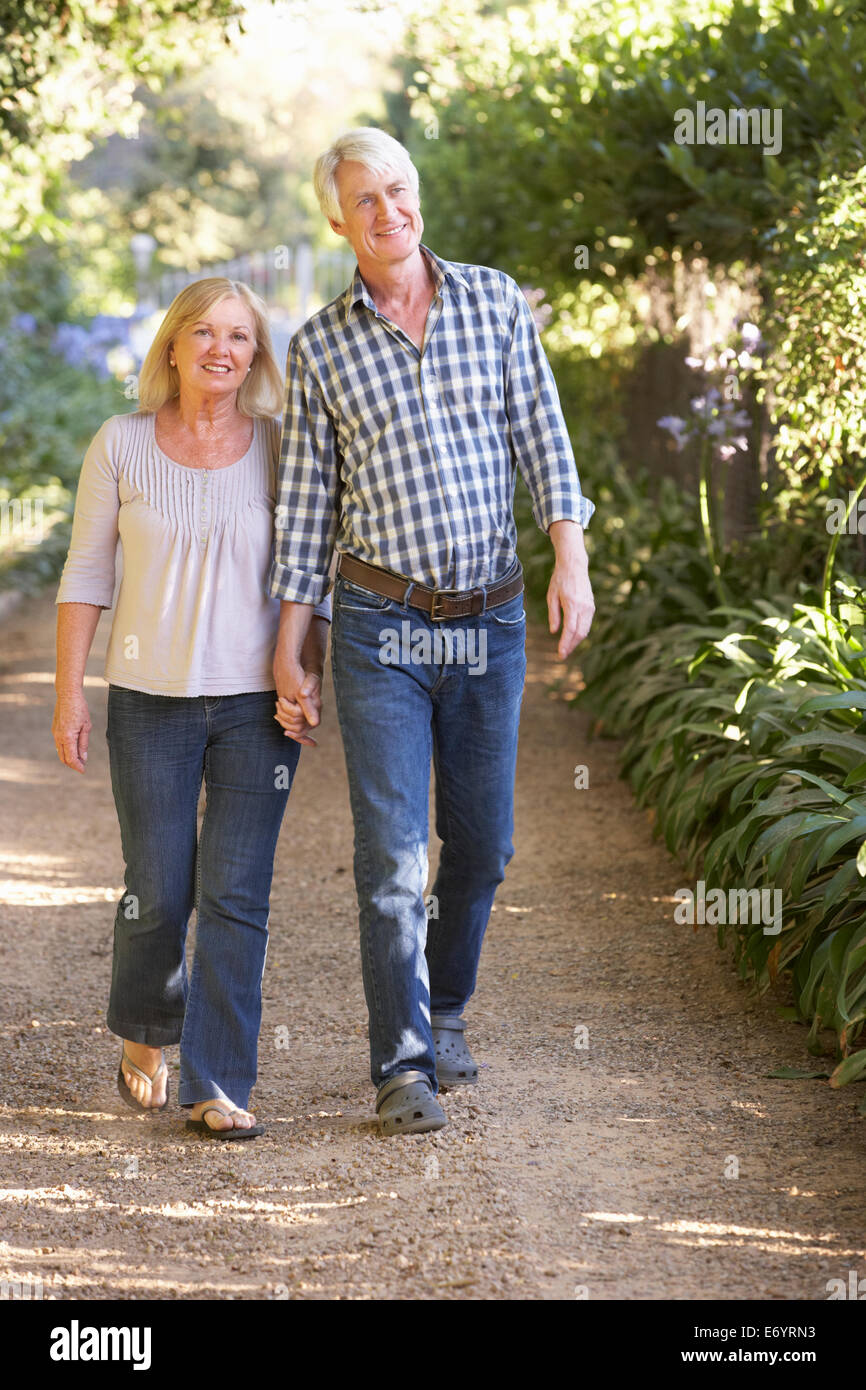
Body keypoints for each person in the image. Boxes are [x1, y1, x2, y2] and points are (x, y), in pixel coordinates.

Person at [269, 128, 595, 1136]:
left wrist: (569, 555)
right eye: (362, 199)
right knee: (390, 854)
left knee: (483, 845)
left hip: (489, 618)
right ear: (337, 219)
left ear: (418, 193)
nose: (386, 211)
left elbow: (541, 434)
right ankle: (401, 1062)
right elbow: (306, 504)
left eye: (397, 190)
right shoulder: (318, 345)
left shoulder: (493, 299)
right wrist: (293, 640)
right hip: (379, 624)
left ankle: (445, 1008)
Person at [52, 278, 330, 1140]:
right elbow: (88, 573)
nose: (221, 349)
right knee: (159, 888)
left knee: (238, 894)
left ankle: (218, 1081)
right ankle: (143, 1030)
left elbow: (310, 576)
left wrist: (303, 674)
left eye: (240, 337)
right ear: (172, 346)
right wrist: (70, 694)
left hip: (255, 709)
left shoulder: (284, 449)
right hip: (148, 703)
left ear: (256, 357)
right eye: (203, 332)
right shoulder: (121, 444)